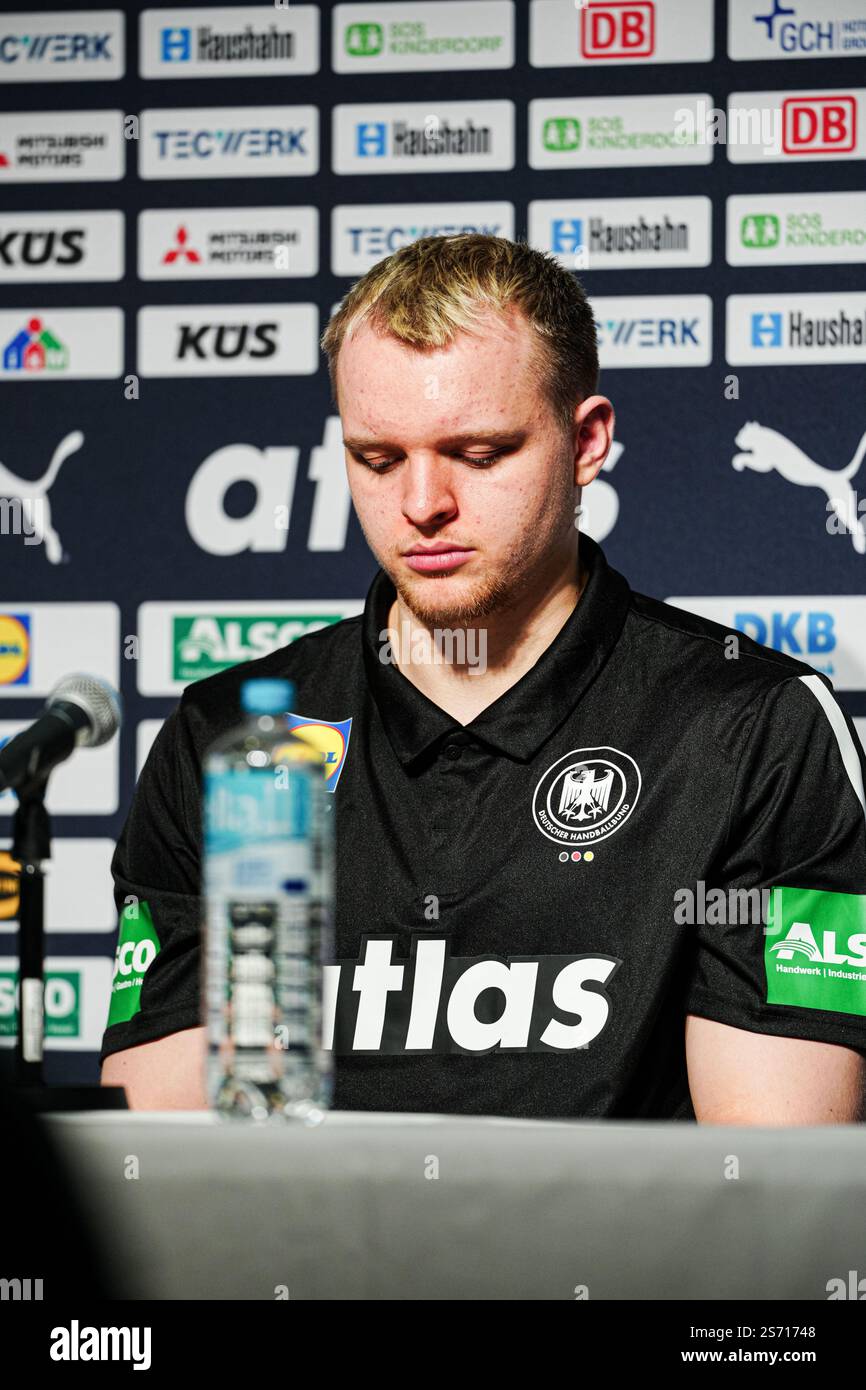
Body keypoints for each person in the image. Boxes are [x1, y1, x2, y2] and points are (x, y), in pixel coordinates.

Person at [100, 234, 866, 1123]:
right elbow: (162, 1164)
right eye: (377, 459)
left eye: (479, 452)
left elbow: (770, 1187)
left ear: (586, 442)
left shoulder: (754, 728)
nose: (422, 503)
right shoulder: (231, 738)